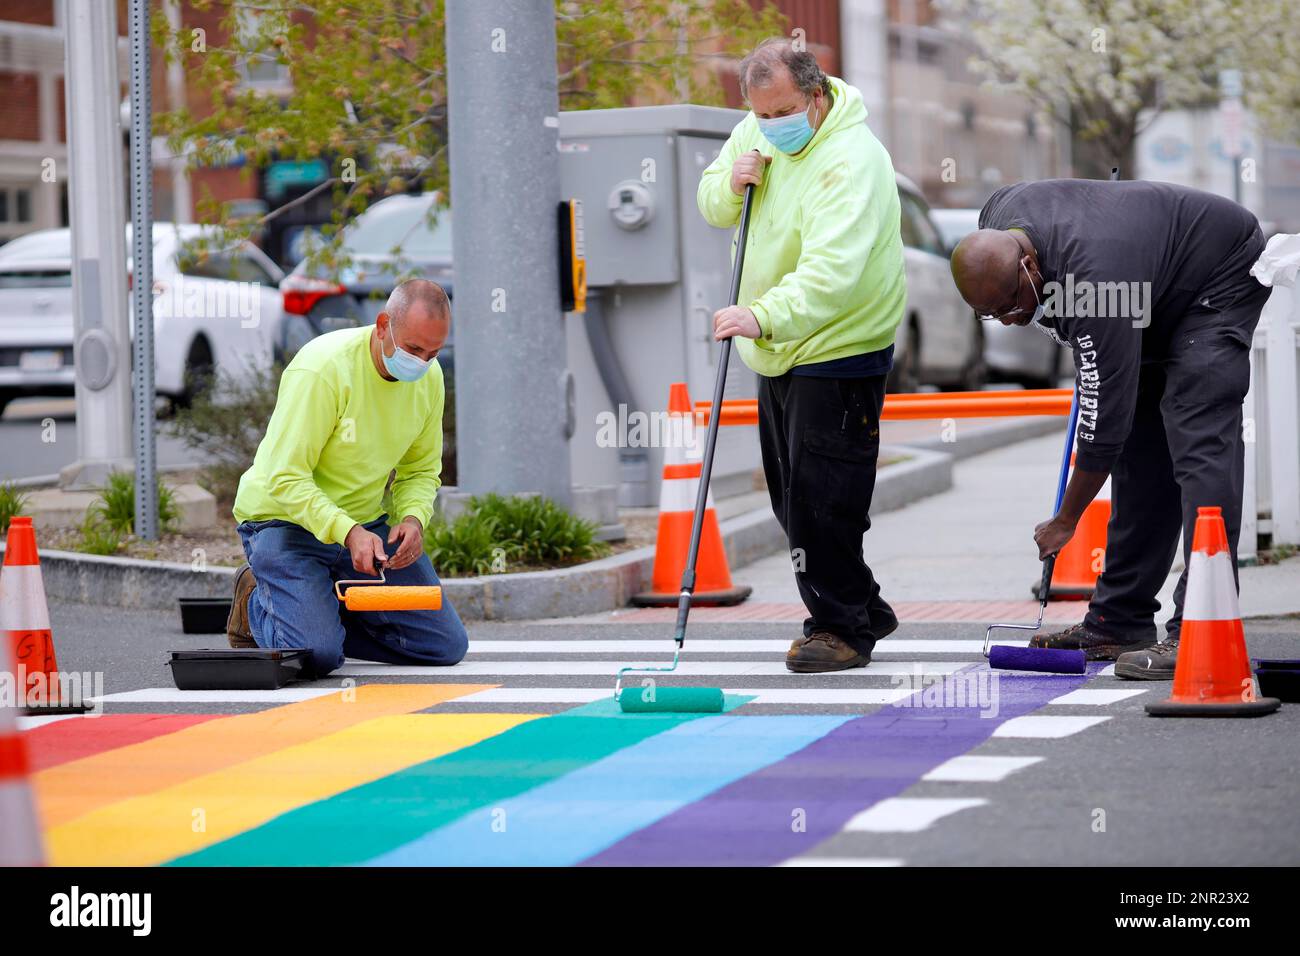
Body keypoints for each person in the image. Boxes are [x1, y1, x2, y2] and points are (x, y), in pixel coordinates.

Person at [950, 179, 1269, 679]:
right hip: (1146, 281)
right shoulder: (998, 215)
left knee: (1197, 434)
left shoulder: (1095, 286)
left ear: (1029, 267)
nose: (1010, 322)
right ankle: (1119, 620)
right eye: (992, 314)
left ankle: (1200, 626)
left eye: (1012, 305)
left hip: (1215, 274)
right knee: (1142, 454)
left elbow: (1102, 428)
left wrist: (1066, 520)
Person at [697, 37, 907, 673]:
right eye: (758, 115)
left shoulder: (852, 159)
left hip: (842, 343)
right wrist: (730, 184)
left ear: (816, 97)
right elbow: (711, 203)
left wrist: (761, 315)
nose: (768, 127)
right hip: (779, 346)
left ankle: (840, 628)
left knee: (825, 495)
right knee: (790, 498)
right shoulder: (754, 132)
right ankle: (862, 605)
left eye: (781, 112)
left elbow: (832, 273)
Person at [225, 278, 468, 676]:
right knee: (317, 657)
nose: (423, 363)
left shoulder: (430, 377)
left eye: (434, 352)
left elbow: (420, 470)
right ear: (382, 325)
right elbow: (284, 477)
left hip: (365, 534)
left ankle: (314, 612)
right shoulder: (323, 369)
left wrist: (412, 519)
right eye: (414, 350)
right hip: (285, 523)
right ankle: (257, 605)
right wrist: (348, 530)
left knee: (444, 645)